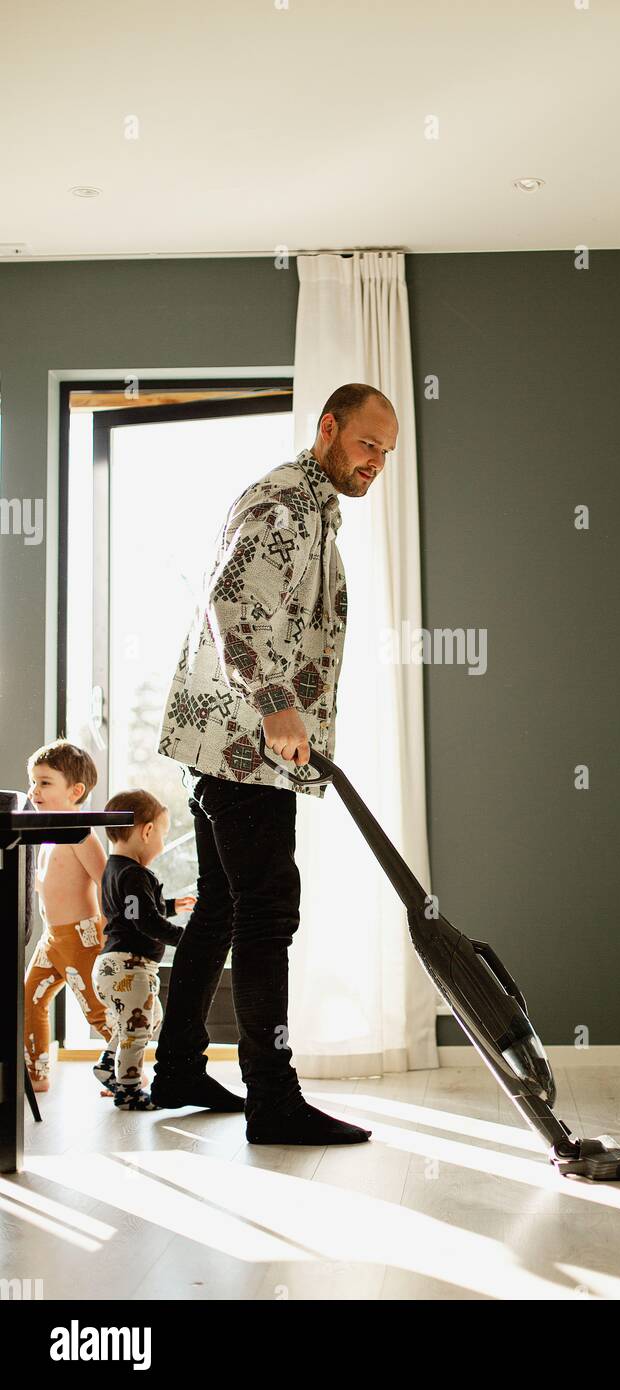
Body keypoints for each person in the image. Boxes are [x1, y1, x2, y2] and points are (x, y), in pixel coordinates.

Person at [153, 382, 398, 1146]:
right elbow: (235, 603)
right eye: (366, 445)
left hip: (232, 744)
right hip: (246, 745)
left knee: (226, 907)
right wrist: (274, 703)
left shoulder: (313, 506)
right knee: (267, 910)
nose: (375, 464)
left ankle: (178, 1068)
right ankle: (273, 1097)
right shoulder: (286, 503)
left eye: (386, 454)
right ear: (329, 429)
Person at [93, 789, 196, 1109]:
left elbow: (134, 911)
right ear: (147, 831)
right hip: (130, 967)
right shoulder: (135, 874)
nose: (162, 844)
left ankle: (108, 1065)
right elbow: (145, 922)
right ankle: (129, 1092)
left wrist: (169, 905)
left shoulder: (114, 870)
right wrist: (188, 939)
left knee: (148, 1020)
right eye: (163, 835)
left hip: (113, 965)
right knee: (136, 1033)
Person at [24, 740, 115, 1093]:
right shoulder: (47, 834)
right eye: (33, 781)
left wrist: (112, 936)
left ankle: (129, 1072)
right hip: (52, 937)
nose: (34, 790)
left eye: (45, 782)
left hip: (81, 937)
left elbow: (106, 885)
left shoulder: (80, 834)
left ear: (75, 791)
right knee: (31, 999)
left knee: (97, 1011)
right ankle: (37, 1074)